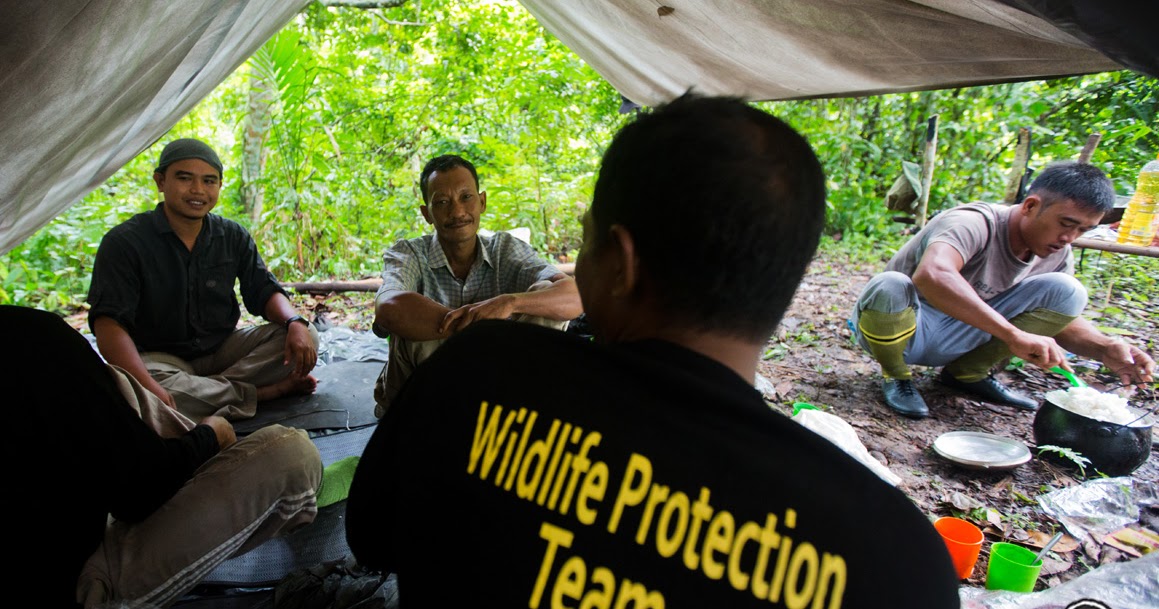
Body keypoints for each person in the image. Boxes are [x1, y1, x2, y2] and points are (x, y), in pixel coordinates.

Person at [346, 93, 960, 608]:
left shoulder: (471, 378)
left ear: (620, 264)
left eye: (584, 245)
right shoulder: (894, 560)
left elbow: (373, 540)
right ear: (785, 273)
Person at [3, 305, 322, 609]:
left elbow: (263, 290)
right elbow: (141, 490)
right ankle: (248, 395)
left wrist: (294, 321)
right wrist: (209, 437)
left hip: (218, 360)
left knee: (125, 388)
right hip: (79, 581)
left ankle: (213, 395)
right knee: (291, 454)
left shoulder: (32, 340)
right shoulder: (35, 337)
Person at [852, 161, 1156, 418]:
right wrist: (1013, 334)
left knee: (1068, 291)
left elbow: (1061, 319)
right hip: (907, 329)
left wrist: (1105, 348)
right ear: (1031, 206)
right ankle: (896, 374)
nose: (1070, 237)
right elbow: (933, 274)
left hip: (964, 335)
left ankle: (966, 374)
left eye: (1082, 230)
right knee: (889, 285)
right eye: (1066, 223)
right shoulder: (973, 222)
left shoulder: (1057, 253)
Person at [87, 138, 320, 421]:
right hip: (158, 360)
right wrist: (147, 386)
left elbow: (262, 288)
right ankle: (262, 393)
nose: (198, 190)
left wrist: (295, 322)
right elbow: (109, 325)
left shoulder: (232, 236)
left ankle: (205, 394)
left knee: (305, 336)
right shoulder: (125, 242)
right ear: (160, 181)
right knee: (135, 386)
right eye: (185, 178)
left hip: (222, 351)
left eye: (209, 181)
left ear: (220, 186)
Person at [370, 154, 583, 417]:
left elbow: (574, 297)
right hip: (427, 395)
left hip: (500, 387)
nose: (457, 212)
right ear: (427, 213)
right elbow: (388, 307)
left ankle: (509, 415)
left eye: (466, 197)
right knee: (408, 327)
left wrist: (509, 303)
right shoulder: (410, 253)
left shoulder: (505, 249)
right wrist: (479, 330)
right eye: (442, 202)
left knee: (545, 299)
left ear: (482, 201)